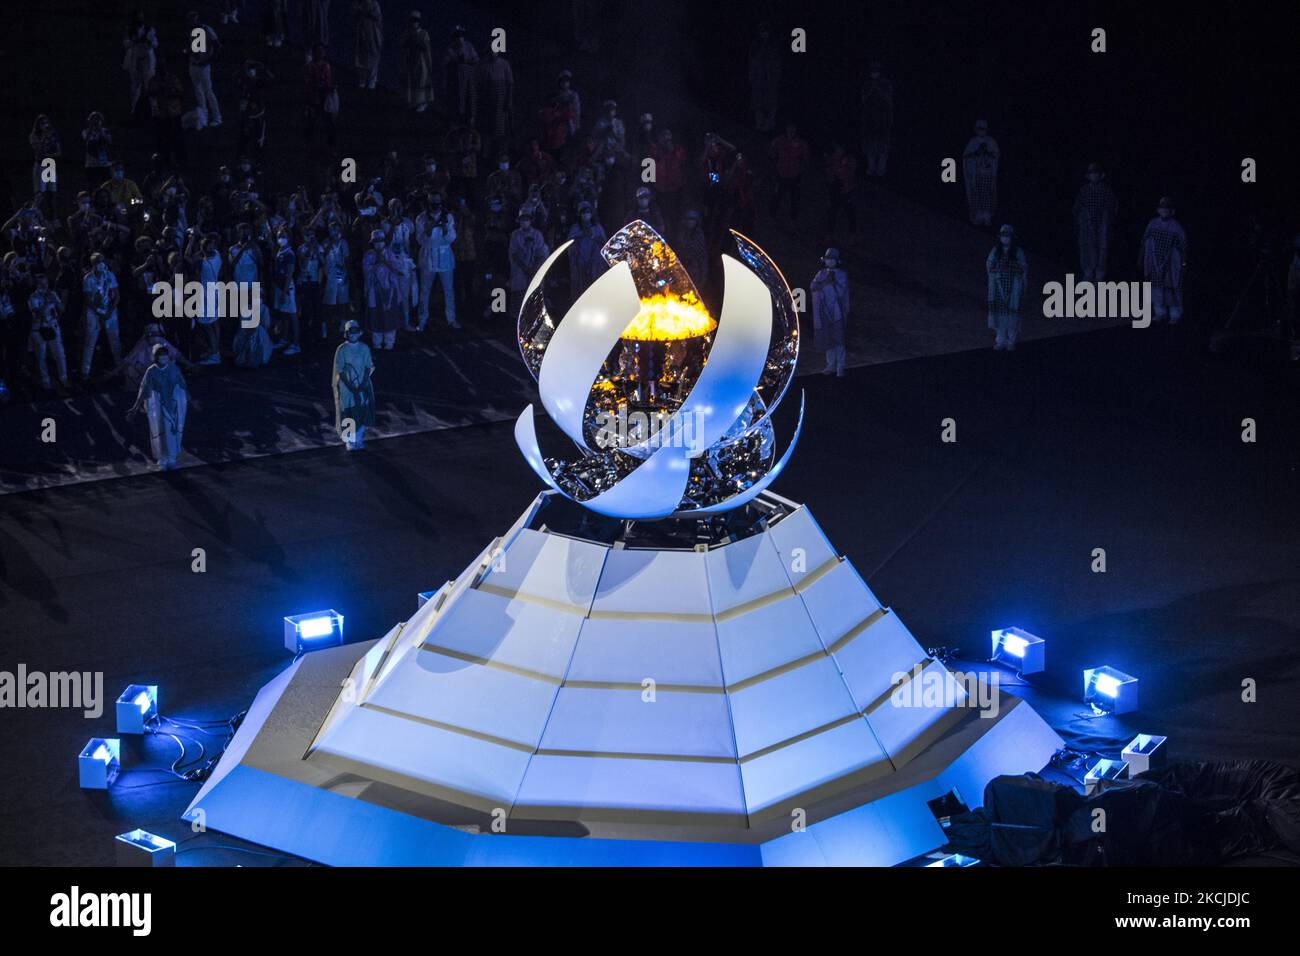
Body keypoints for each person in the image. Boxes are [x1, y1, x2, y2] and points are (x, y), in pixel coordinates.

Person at [127, 343, 187, 469]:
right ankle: (162, 458)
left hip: (172, 406)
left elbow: (182, 385)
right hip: (159, 408)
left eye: (165, 356)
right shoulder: (151, 371)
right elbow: (143, 390)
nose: (163, 358)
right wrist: (135, 407)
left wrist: (190, 401)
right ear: (155, 357)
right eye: (160, 356)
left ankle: (171, 458)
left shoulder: (173, 369)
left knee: (171, 432)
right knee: (160, 431)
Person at [1141, 197, 1188, 324]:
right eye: (1162, 208)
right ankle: (1159, 312)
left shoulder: (1176, 227)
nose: (1164, 211)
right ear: (1158, 210)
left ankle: (1175, 313)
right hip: (1155, 261)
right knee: (1156, 287)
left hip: (1170, 263)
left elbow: (1182, 246)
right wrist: (1143, 258)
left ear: (1172, 211)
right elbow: (1145, 242)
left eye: (1167, 209)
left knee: (1172, 287)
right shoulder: (1152, 223)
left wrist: (1183, 262)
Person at [1073, 162, 1119, 281]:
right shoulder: (1084, 190)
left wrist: (1106, 221)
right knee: (1086, 247)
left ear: (1101, 175)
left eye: (1096, 174)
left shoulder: (1106, 191)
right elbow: (1077, 207)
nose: (1094, 176)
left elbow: (1113, 207)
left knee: (1102, 249)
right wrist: (1081, 219)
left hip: (1102, 225)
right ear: (1088, 176)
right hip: (1086, 224)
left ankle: (1099, 275)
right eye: (1091, 174)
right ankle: (1088, 273)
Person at [333, 319, 374, 450]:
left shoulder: (364, 348)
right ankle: (349, 440)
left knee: (360, 410)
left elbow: (368, 366)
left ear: (360, 332)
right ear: (346, 333)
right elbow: (340, 370)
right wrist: (350, 387)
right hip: (347, 388)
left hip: (361, 386)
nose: (353, 334)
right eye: (351, 332)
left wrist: (362, 384)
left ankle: (359, 438)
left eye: (356, 332)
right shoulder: (342, 349)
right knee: (347, 411)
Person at [416, 201, 458, 330]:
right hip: (428, 257)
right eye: (432, 203)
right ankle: (422, 320)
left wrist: (445, 230)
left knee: (448, 290)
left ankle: (451, 319)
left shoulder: (448, 217)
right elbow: (419, 240)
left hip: (444, 256)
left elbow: (452, 237)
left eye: (437, 203)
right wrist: (428, 230)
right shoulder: (421, 218)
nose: (434, 207)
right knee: (424, 291)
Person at [986, 224, 1027, 350]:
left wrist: (1016, 272)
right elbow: (989, 264)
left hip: (1013, 287)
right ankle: (1000, 340)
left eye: (1007, 236)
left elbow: (1023, 268)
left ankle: (1011, 341)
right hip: (998, 288)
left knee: (1012, 314)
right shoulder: (995, 251)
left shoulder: (1018, 252)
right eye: (1003, 236)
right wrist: (997, 270)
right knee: (999, 315)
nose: (1005, 239)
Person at [81, 253, 121, 378]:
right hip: (94, 313)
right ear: (93, 264)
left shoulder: (110, 275)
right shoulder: (88, 278)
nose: (101, 263)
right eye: (98, 261)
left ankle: (120, 368)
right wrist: (99, 313)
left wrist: (109, 312)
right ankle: (85, 372)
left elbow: (117, 296)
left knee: (115, 340)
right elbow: (88, 300)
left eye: (103, 260)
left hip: (110, 312)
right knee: (90, 342)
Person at [362, 229, 404, 349]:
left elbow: (397, 269)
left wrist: (384, 261)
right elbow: (366, 271)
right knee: (376, 316)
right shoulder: (369, 255)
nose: (379, 243)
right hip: (375, 291)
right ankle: (377, 342)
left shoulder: (390, 253)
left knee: (390, 315)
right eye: (376, 241)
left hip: (390, 291)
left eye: (380, 241)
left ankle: (390, 342)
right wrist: (376, 263)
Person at [27, 272, 69, 391]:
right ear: (37, 285)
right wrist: (46, 302)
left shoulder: (53, 294)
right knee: (42, 357)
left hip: (53, 327)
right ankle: (46, 381)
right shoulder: (33, 297)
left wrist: (55, 301)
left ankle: (64, 378)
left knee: (60, 354)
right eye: (41, 284)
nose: (44, 286)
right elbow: (37, 314)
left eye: (46, 283)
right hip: (38, 330)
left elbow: (62, 309)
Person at [811, 247, 849, 376]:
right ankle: (830, 365)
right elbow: (814, 286)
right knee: (828, 338)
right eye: (828, 259)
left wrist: (827, 284)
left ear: (836, 261)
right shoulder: (821, 273)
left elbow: (840, 292)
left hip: (837, 311)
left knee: (839, 338)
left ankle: (840, 366)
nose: (830, 262)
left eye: (832, 259)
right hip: (824, 311)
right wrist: (822, 284)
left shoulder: (841, 274)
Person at [185, 10, 223, 128]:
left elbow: (217, 45)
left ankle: (217, 117)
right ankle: (204, 117)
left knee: (208, 91)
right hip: (193, 64)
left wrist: (209, 60)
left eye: (194, 17)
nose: (192, 20)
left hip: (204, 65)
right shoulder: (190, 30)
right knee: (198, 91)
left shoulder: (206, 29)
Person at [508, 210, 549, 317]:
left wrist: (533, 268)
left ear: (530, 220)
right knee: (519, 293)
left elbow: (541, 253)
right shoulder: (515, 235)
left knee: (535, 292)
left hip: (534, 268)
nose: (525, 221)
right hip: (520, 269)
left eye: (527, 219)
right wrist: (525, 268)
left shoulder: (537, 234)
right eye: (522, 219)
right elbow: (514, 253)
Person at [475, 48, 514, 157]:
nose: (493, 53)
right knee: (487, 128)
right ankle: (487, 152)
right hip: (488, 101)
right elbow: (479, 86)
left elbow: (510, 84)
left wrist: (508, 101)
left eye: (495, 51)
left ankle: (501, 152)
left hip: (501, 102)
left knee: (501, 129)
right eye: (490, 51)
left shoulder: (504, 64)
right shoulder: (482, 66)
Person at [769, 122, 809, 225]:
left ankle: (793, 220)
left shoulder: (800, 142)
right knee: (777, 195)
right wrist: (775, 164)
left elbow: (805, 158)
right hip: (781, 173)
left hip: (794, 175)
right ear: (786, 128)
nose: (791, 130)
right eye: (789, 127)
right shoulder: (780, 139)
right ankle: (773, 216)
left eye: (793, 128)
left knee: (794, 198)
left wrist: (800, 171)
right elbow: (772, 151)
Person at [963, 120, 1000, 227]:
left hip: (988, 174)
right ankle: (978, 215)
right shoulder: (973, 141)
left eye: (983, 129)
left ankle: (987, 215)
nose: (981, 131)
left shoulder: (991, 141)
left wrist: (987, 153)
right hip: (976, 174)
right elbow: (966, 156)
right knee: (976, 194)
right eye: (979, 129)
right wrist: (976, 153)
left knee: (988, 194)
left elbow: (996, 154)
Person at [566, 202, 607, 296]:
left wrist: (592, 236)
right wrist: (580, 237)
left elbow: (604, 243)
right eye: (583, 212)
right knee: (579, 289)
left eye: (588, 212)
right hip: (579, 264)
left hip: (595, 265)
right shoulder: (575, 228)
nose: (585, 214)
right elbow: (570, 245)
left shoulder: (597, 227)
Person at [860, 62, 894, 177]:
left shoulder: (886, 84)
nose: (874, 73)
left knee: (883, 146)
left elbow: (889, 100)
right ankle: (871, 168)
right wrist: (871, 89)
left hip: (883, 119)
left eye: (876, 71)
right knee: (870, 145)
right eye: (872, 71)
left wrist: (878, 88)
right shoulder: (867, 84)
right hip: (869, 119)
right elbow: (863, 100)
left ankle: (881, 170)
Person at [747, 22, 782, 133]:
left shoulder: (774, 45)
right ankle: (759, 124)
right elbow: (751, 60)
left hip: (770, 77)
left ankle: (769, 125)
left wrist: (776, 77)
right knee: (758, 102)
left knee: (771, 102)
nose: (764, 33)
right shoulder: (756, 45)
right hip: (759, 77)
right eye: (762, 31)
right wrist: (752, 75)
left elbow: (777, 62)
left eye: (766, 31)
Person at [123, 12, 159, 116]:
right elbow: (126, 44)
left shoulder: (149, 30)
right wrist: (135, 41)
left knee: (150, 85)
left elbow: (155, 44)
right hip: (135, 60)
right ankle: (134, 109)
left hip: (147, 60)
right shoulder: (130, 31)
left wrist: (147, 41)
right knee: (135, 86)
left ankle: (154, 110)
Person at [441, 26, 479, 125]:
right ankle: (455, 122)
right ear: (453, 37)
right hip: (455, 81)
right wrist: (455, 61)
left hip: (468, 79)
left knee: (470, 98)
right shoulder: (450, 49)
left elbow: (476, 59)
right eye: (457, 36)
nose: (460, 38)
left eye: (461, 35)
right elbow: (444, 63)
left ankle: (470, 120)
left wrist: (466, 61)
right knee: (456, 101)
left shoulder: (469, 46)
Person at [271, 228, 299, 353]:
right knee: (284, 314)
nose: (281, 237)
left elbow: (289, 274)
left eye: (284, 235)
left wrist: (284, 291)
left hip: (287, 289)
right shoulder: (279, 251)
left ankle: (296, 343)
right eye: (279, 235)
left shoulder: (290, 254)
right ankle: (285, 338)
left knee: (292, 315)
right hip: (278, 287)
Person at [400, 11, 434, 113]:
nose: (414, 23)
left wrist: (429, 64)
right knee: (411, 81)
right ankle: (413, 102)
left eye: (416, 21)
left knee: (421, 81)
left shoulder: (424, 33)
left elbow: (427, 49)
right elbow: (402, 45)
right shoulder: (407, 33)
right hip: (411, 60)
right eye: (412, 20)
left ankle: (422, 103)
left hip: (421, 61)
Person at [29, 116, 62, 214]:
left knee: (51, 193)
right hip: (40, 165)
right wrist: (44, 136)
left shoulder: (53, 135)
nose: (45, 125)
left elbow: (59, 152)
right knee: (40, 194)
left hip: (50, 164)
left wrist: (50, 155)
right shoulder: (34, 136)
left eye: (46, 123)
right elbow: (38, 150)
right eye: (42, 123)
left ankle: (51, 216)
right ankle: (35, 214)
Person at [824, 142, 858, 236]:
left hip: (846, 191)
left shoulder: (849, 160)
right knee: (832, 213)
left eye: (840, 149)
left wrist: (838, 173)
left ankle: (853, 235)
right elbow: (829, 173)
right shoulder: (833, 158)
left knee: (850, 213)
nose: (838, 151)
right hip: (835, 191)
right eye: (837, 149)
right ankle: (829, 235)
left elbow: (849, 174)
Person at [353, 0, 383, 90]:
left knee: (373, 58)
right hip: (362, 35)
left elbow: (377, 16)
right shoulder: (359, 3)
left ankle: (371, 81)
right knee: (361, 59)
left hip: (373, 36)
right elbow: (355, 13)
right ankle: (362, 80)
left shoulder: (374, 4)